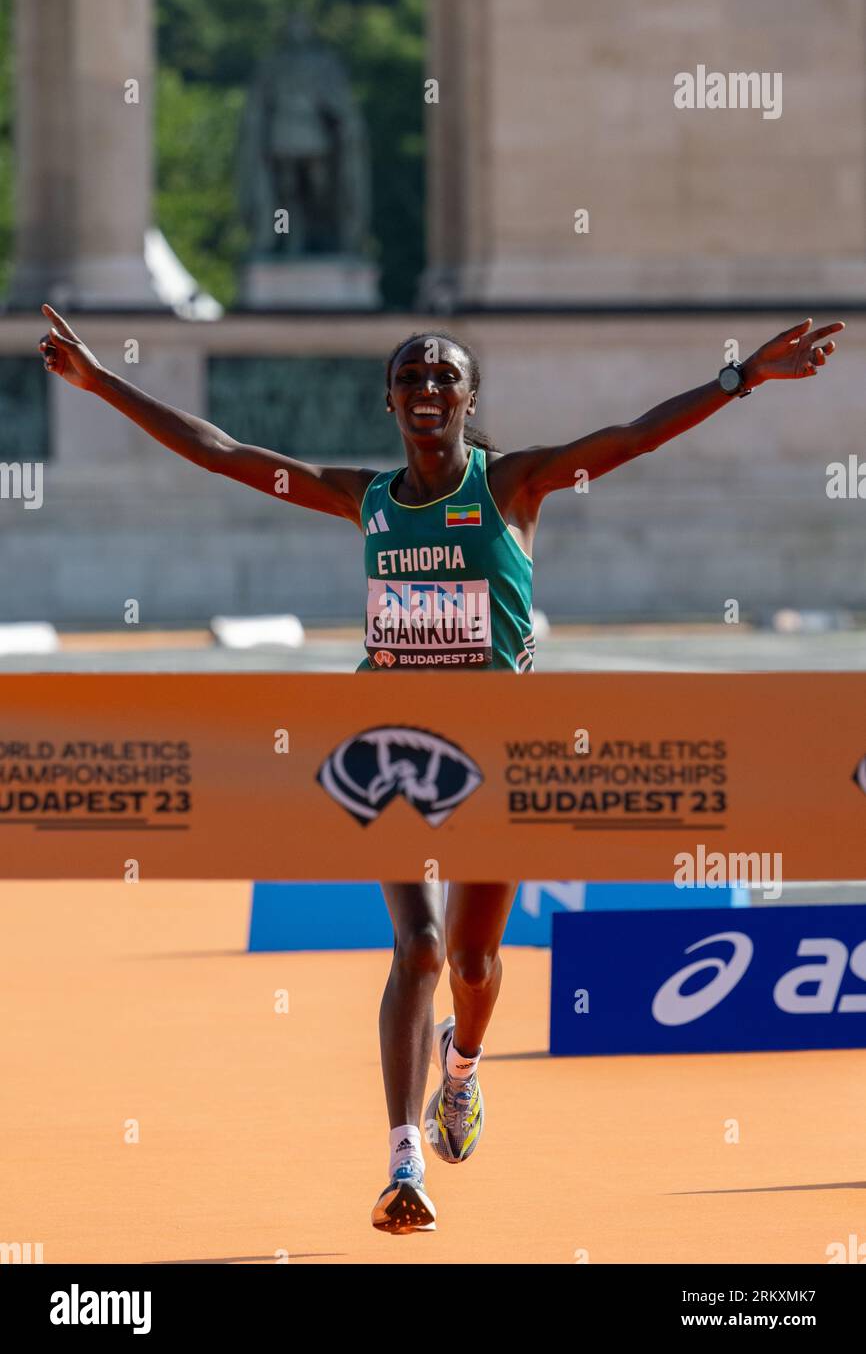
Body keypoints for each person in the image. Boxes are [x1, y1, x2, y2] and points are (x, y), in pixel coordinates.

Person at [39, 305, 844, 1233]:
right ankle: (402, 1164)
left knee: (471, 959)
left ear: (468, 398)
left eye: (443, 377)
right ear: (390, 401)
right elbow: (223, 452)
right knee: (417, 948)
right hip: (390, 748)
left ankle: (463, 1067)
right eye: (411, 378)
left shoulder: (514, 487)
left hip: (500, 756)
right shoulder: (364, 497)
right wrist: (101, 383)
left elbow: (629, 439)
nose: (427, 389)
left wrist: (741, 378)